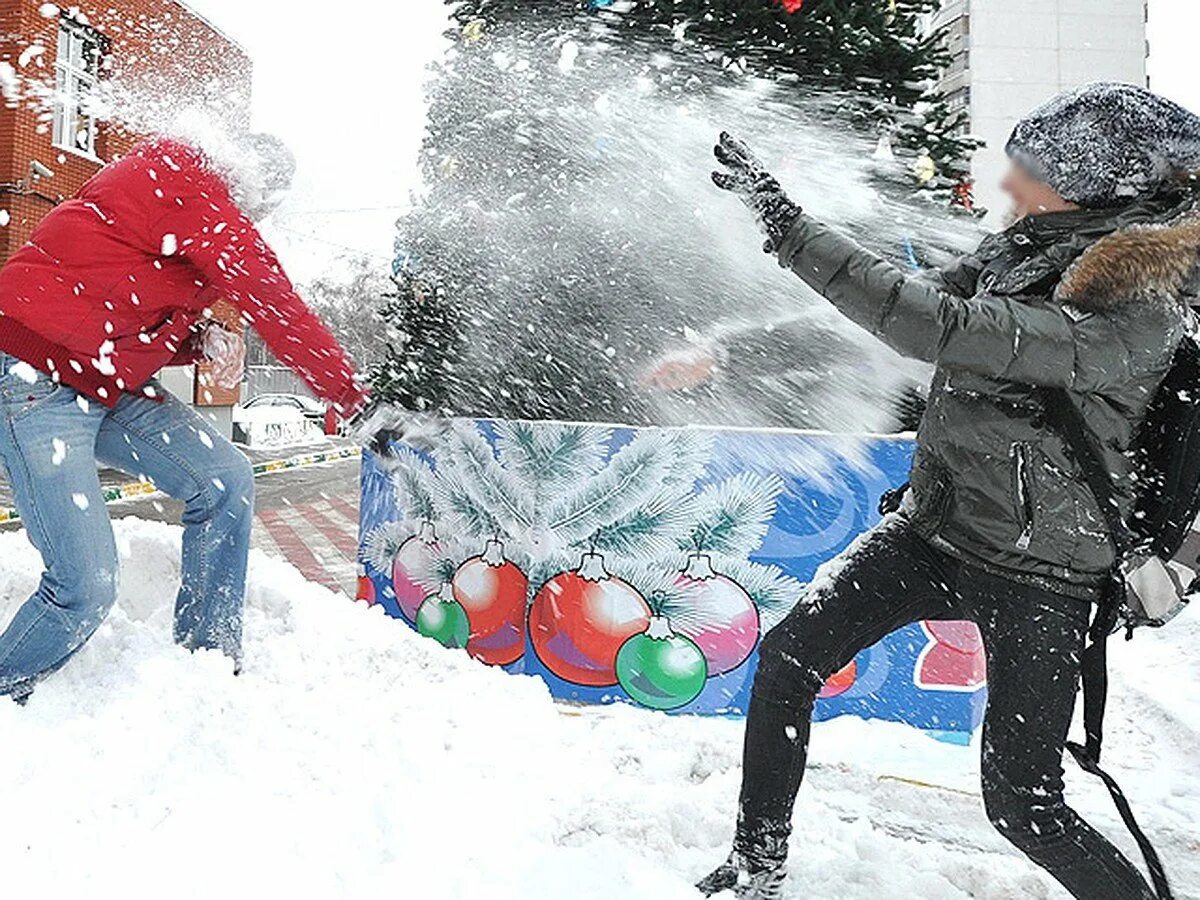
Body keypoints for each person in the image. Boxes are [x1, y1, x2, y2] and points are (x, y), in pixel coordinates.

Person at [699, 82, 1200, 900]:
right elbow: (902, 299)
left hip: (1044, 571)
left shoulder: (1136, 308)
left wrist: (788, 227)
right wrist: (728, 346)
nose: (1009, 183)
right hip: (937, 531)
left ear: (1091, 181)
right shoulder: (1024, 249)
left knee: (1023, 806)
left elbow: (936, 327)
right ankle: (756, 868)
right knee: (789, 659)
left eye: (1029, 167)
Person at [0, 132, 367, 703]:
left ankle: (207, 662)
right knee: (83, 585)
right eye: (265, 200)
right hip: (33, 375)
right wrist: (350, 397)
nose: (261, 213)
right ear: (251, 180)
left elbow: (114, 300)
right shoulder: (191, 186)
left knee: (224, 480)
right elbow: (275, 302)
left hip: (99, 377)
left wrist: (192, 341)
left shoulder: (180, 195)